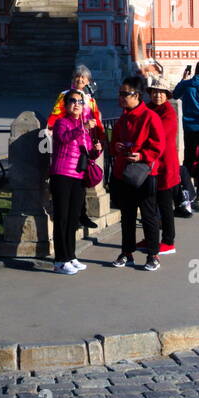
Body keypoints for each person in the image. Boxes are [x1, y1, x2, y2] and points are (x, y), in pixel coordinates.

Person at [109, 78, 164, 272]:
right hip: (125, 172)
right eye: (120, 94)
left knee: (148, 215)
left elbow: (159, 145)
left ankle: (153, 254)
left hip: (144, 173)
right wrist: (115, 147)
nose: (121, 98)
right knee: (127, 214)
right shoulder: (122, 118)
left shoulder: (150, 117)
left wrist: (142, 155)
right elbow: (113, 142)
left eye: (125, 94)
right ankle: (127, 252)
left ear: (137, 95)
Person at [49, 90, 102, 274]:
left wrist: (96, 150)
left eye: (80, 101)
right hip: (62, 174)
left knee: (73, 219)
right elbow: (63, 139)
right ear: (66, 104)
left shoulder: (83, 126)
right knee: (62, 218)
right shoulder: (61, 123)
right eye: (72, 101)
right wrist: (83, 128)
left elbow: (86, 153)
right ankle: (59, 260)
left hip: (78, 177)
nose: (76, 104)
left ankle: (71, 256)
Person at [48, 67, 105, 230]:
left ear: (88, 81)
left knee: (83, 181)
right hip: (70, 140)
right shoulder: (66, 95)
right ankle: (76, 216)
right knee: (73, 182)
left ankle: (83, 214)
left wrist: (97, 137)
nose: (80, 80)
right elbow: (57, 114)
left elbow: (96, 118)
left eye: (83, 78)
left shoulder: (90, 99)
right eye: (77, 77)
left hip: (85, 143)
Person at [172, 62, 199, 209]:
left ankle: (186, 191)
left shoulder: (186, 85)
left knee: (188, 159)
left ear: (196, 71)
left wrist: (183, 79)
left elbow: (175, 94)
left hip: (189, 128)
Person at [145, 82, 180, 255]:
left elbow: (159, 137)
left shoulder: (169, 113)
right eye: (154, 92)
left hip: (165, 165)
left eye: (161, 92)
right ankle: (151, 237)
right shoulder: (148, 108)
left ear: (167, 95)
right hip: (150, 165)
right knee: (149, 204)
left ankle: (168, 241)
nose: (157, 95)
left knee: (165, 205)